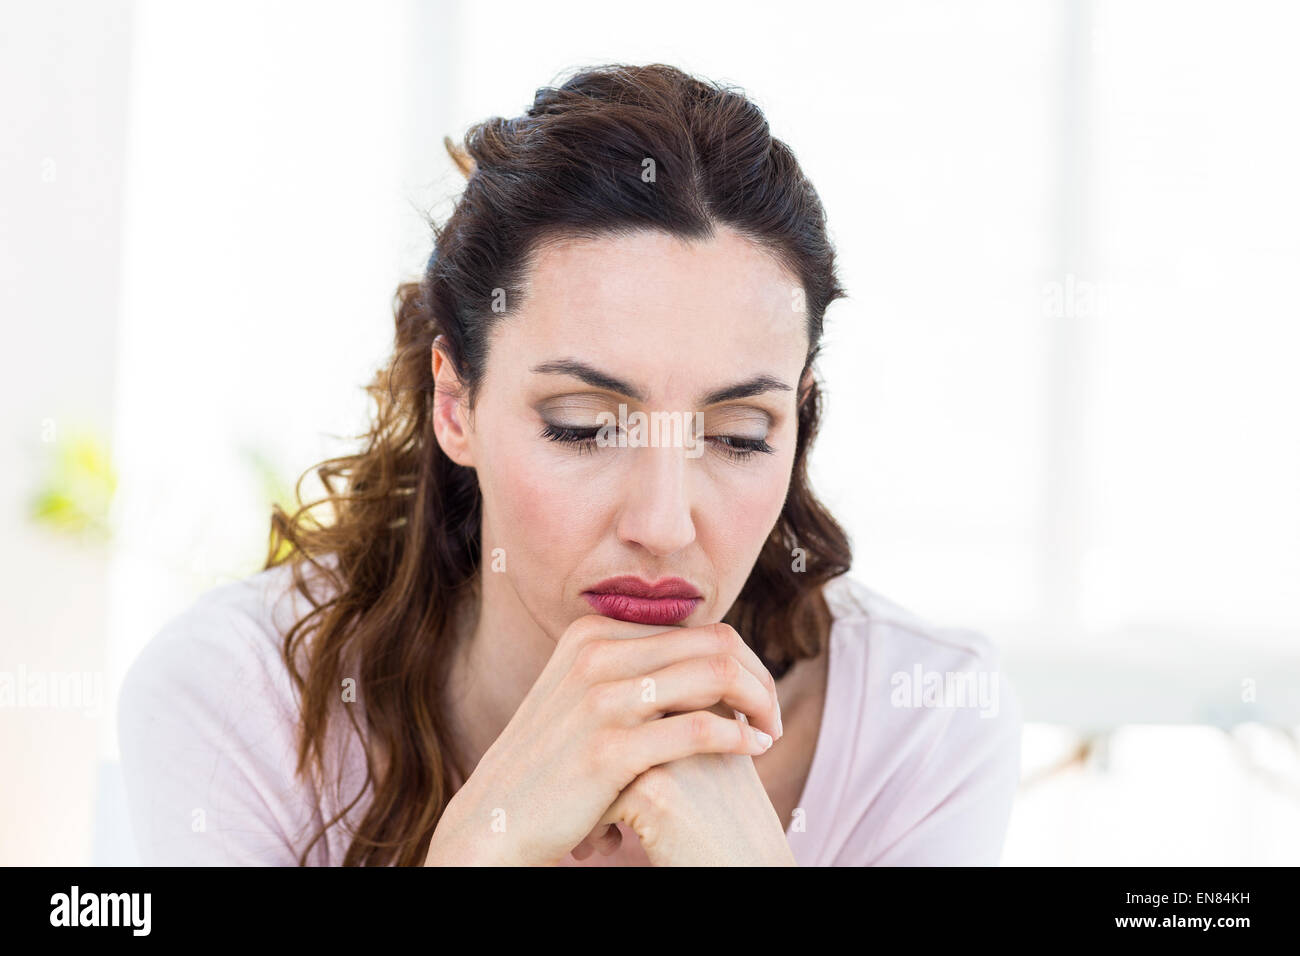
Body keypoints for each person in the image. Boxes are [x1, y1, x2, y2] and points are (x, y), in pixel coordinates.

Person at [118, 62, 1022, 867]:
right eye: (586, 427)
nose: (664, 523)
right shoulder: (243, 703)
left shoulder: (921, 723)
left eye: (740, 435)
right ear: (455, 404)